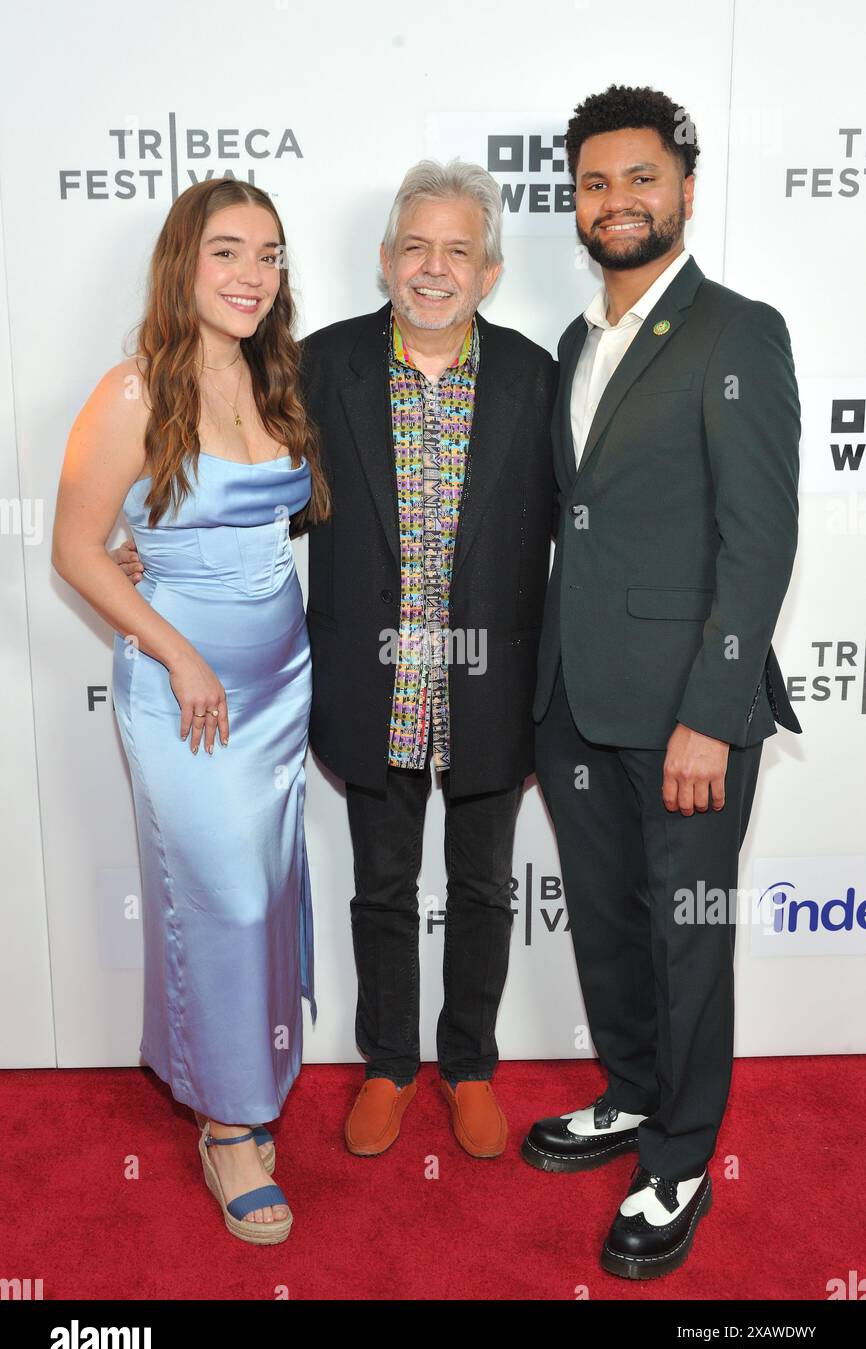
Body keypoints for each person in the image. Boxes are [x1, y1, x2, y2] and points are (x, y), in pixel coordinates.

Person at [112, 161, 558, 1159]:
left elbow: (583, 521)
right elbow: (238, 480)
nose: (432, 268)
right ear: (383, 261)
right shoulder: (317, 365)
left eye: (456, 251)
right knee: (380, 882)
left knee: (485, 885)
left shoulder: (537, 376)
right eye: (414, 247)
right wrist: (147, 543)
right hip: (370, 678)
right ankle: (391, 1062)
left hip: (490, 683)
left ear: (487, 272)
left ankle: (472, 1063)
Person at [522, 86, 801, 1279]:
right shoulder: (571, 346)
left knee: (688, 935)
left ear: (684, 189)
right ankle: (634, 1093)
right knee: (610, 922)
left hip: (685, 707)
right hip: (571, 701)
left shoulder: (736, 334)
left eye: (640, 178)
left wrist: (710, 711)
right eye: (594, 183)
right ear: (572, 204)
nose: (616, 200)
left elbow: (759, 539)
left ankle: (681, 1153)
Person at [53, 177, 329, 1245]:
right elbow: (77, 549)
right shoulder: (133, 392)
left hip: (279, 682)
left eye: (268, 255)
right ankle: (224, 1129)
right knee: (220, 900)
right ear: (183, 264)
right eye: (227, 252)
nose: (251, 275)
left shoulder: (278, 377)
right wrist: (177, 651)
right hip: (185, 694)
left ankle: (248, 1077)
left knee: (261, 891)